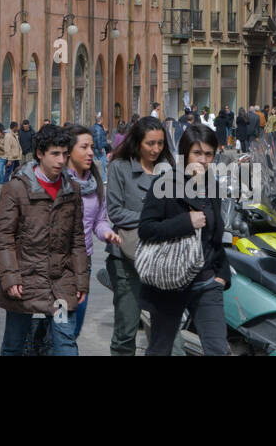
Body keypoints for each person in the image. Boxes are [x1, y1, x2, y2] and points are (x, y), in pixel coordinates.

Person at [0, 124, 87, 356]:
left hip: (61, 286)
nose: (61, 160)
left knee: (65, 341)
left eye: (65, 154)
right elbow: (3, 236)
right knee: (14, 343)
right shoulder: (16, 188)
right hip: (24, 283)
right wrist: (10, 277)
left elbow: (77, 239)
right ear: (40, 154)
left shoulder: (71, 189)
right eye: (55, 153)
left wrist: (81, 281)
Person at [138, 125, 231, 356]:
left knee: (218, 349)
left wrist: (222, 274)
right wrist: (186, 222)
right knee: (160, 349)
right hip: (171, 280)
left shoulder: (212, 187)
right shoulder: (165, 183)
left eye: (208, 154)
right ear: (185, 154)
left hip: (207, 282)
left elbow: (216, 237)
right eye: (197, 153)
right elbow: (146, 229)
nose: (203, 160)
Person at [104, 116, 184, 356]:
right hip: (127, 260)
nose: (156, 149)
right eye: (150, 143)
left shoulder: (170, 170)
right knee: (126, 331)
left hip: (163, 260)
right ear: (137, 142)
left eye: (160, 143)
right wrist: (152, 220)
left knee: (171, 332)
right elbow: (116, 212)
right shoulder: (120, 167)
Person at [67, 125, 119, 338]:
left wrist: (107, 233)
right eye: (84, 147)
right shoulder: (59, 181)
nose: (91, 152)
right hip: (60, 264)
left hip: (84, 263)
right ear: (69, 150)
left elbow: (99, 221)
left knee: (76, 325)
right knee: (64, 328)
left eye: (92, 147)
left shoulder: (94, 182)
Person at [91, 112, 109, 180]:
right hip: (99, 148)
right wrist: (100, 148)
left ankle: (96, 178)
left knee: (95, 164)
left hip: (95, 148)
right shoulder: (98, 128)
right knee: (103, 164)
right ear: (100, 120)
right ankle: (103, 179)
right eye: (102, 120)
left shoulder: (94, 127)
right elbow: (98, 138)